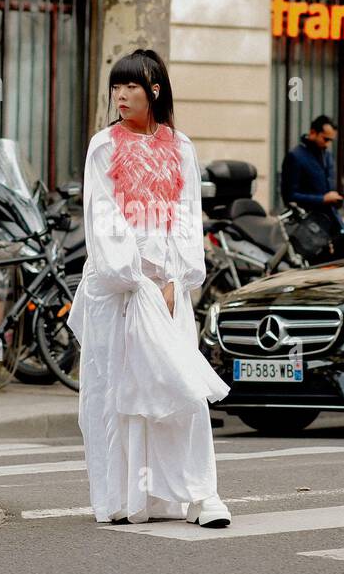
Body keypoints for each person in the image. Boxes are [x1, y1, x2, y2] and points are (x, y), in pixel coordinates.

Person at [66, 48, 232, 528]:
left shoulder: (181, 146)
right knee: (118, 394)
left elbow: (186, 214)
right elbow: (103, 217)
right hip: (119, 289)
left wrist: (175, 279)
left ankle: (203, 495)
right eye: (116, 87)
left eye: (130, 86)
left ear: (154, 90)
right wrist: (136, 278)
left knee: (180, 388)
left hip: (167, 290)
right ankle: (126, 498)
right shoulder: (103, 146)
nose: (120, 95)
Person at [280, 114, 344, 262]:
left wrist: (336, 199)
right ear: (313, 133)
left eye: (331, 140)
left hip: (331, 223)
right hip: (310, 229)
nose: (328, 144)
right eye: (325, 139)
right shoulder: (295, 156)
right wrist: (322, 199)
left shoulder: (327, 155)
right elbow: (289, 196)